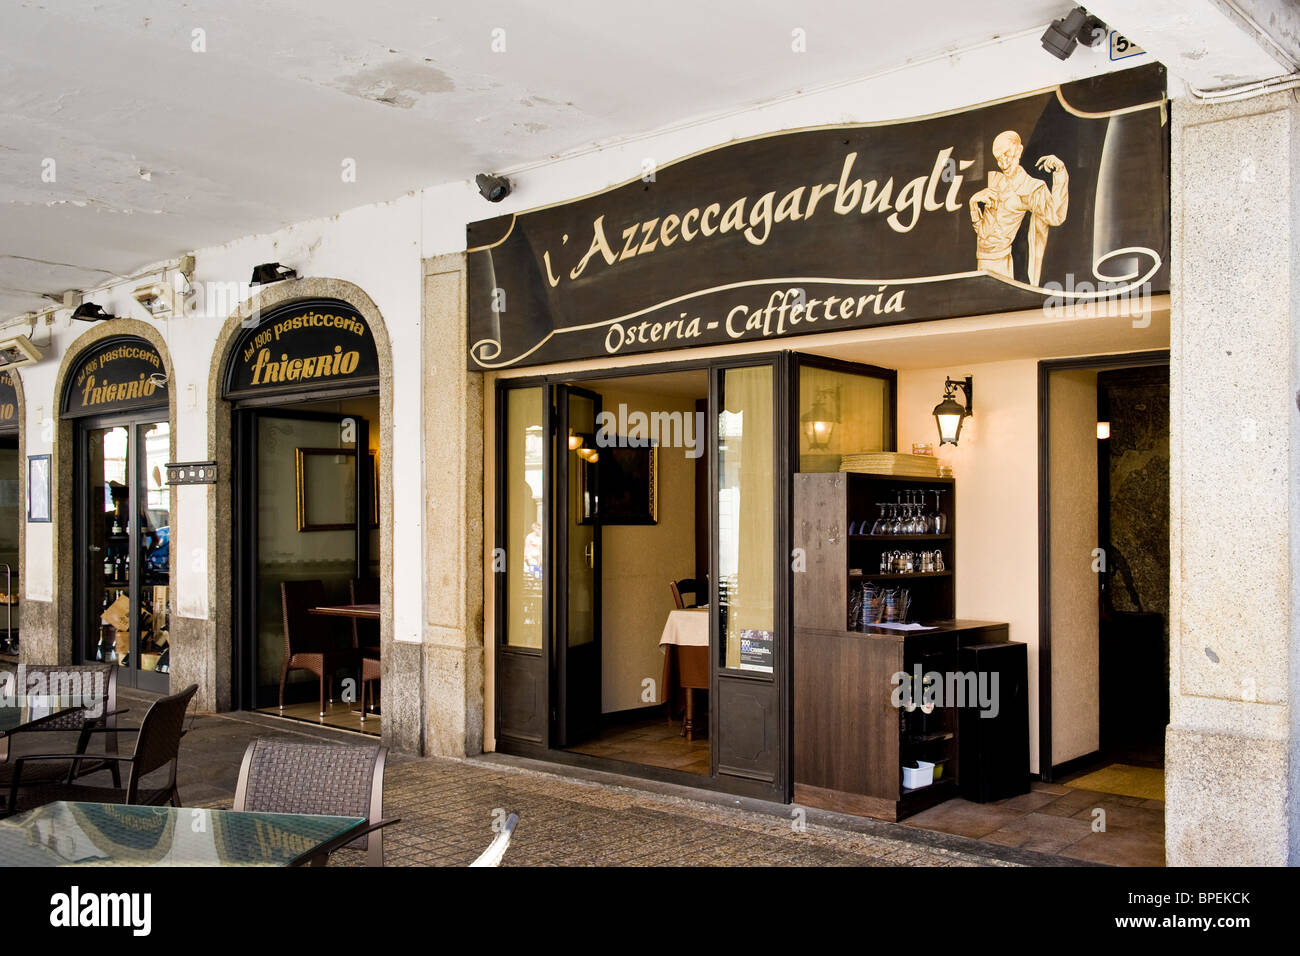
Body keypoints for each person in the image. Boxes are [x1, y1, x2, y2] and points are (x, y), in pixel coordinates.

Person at [968, 130, 1069, 286]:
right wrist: (973, 204)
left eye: (1007, 154)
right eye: (999, 158)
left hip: (1000, 264)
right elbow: (983, 234)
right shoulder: (996, 181)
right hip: (982, 261)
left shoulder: (1030, 188)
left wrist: (1060, 172)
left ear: (1019, 150)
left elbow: (1055, 216)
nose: (1003, 162)